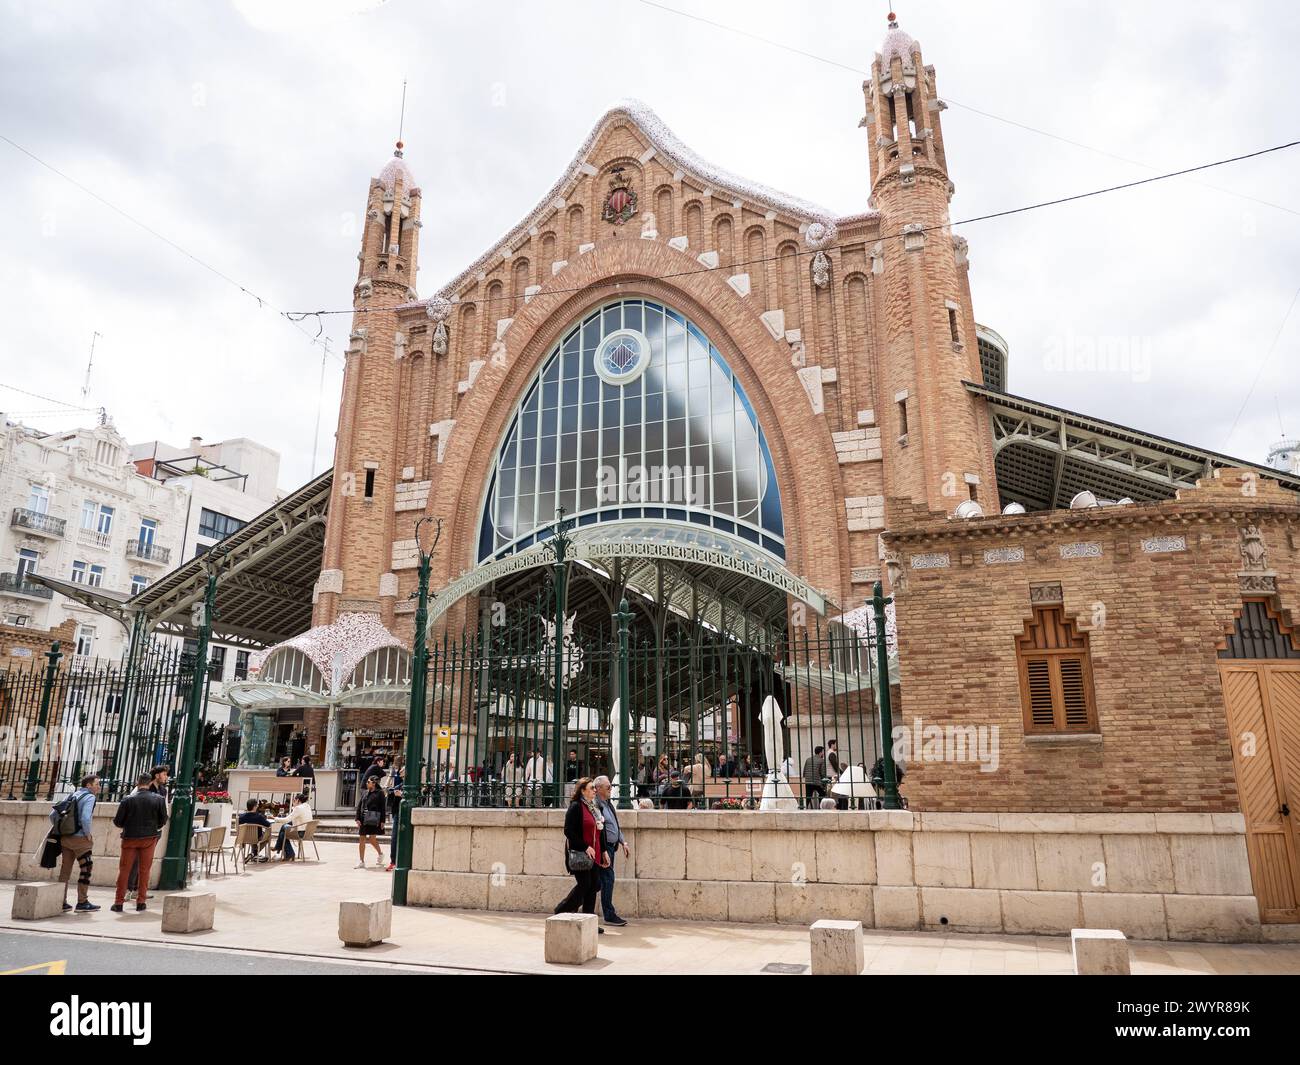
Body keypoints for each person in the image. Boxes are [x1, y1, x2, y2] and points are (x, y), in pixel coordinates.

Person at [552, 777, 608, 926]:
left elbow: (600, 831)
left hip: (595, 852)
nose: (594, 790)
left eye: (594, 788)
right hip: (581, 852)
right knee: (585, 884)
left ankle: (589, 922)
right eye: (591, 788)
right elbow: (568, 831)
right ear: (582, 791)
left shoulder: (595, 807)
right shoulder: (576, 807)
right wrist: (585, 847)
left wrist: (603, 851)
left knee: (595, 885)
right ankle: (562, 910)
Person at [111, 773, 168, 912]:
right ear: (149, 783)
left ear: (138, 782)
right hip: (149, 838)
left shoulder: (127, 800)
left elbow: (118, 821)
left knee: (124, 870)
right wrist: (154, 827)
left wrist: (128, 826)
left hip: (130, 837)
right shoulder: (159, 799)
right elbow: (163, 820)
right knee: (144, 870)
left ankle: (119, 902)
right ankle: (141, 901)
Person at [57, 774, 100, 912]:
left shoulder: (72, 795)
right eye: (96, 784)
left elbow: (53, 815)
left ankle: (60, 902)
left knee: (65, 870)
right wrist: (87, 834)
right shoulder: (90, 797)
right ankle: (82, 902)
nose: (98, 787)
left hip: (66, 838)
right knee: (86, 868)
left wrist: (61, 829)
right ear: (88, 785)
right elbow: (86, 818)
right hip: (81, 839)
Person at [126, 764, 170, 895]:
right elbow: (130, 802)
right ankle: (130, 888)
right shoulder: (143, 787)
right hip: (139, 829)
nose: (166, 777)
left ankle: (139, 890)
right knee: (134, 861)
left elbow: (165, 810)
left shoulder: (163, 791)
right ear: (157, 775)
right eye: (164, 774)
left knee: (146, 861)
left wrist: (160, 825)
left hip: (155, 830)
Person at [592, 776, 629, 927]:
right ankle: (609, 914)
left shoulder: (608, 804)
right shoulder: (595, 806)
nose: (611, 789)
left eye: (611, 786)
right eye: (608, 787)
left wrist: (623, 841)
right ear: (598, 788)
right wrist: (602, 851)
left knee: (598, 883)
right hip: (604, 848)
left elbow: (615, 825)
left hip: (611, 847)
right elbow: (598, 830)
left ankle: (570, 905)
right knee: (607, 880)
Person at [355, 775, 386, 868]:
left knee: (372, 839)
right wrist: (357, 818)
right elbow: (359, 806)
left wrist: (382, 821)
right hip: (363, 819)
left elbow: (383, 808)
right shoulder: (365, 792)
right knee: (362, 839)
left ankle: (380, 853)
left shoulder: (380, 793)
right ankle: (361, 861)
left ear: (374, 783)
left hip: (373, 819)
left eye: (368, 782)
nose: (366, 783)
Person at [275, 792, 314, 860]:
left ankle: (284, 851)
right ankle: (280, 849)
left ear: (298, 800)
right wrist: (295, 806)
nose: (293, 801)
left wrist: (274, 818)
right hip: (308, 832)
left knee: (283, 832)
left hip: (300, 833)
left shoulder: (298, 808)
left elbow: (286, 820)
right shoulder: (307, 806)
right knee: (283, 829)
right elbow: (295, 819)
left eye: (294, 800)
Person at [385, 760, 404, 871]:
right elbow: (390, 787)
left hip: (404, 812)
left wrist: (401, 794)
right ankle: (393, 861)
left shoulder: (407, 783)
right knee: (394, 837)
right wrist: (390, 790)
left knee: (397, 837)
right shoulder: (399, 783)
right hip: (397, 811)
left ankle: (397, 861)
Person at [827, 739, 847, 810]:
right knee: (836, 794)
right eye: (836, 744)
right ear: (832, 745)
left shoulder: (828, 753)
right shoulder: (831, 753)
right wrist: (841, 772)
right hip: (832, 776)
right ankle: (837, 807)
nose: (837, 746)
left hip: (830, 775)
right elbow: (834, 765)